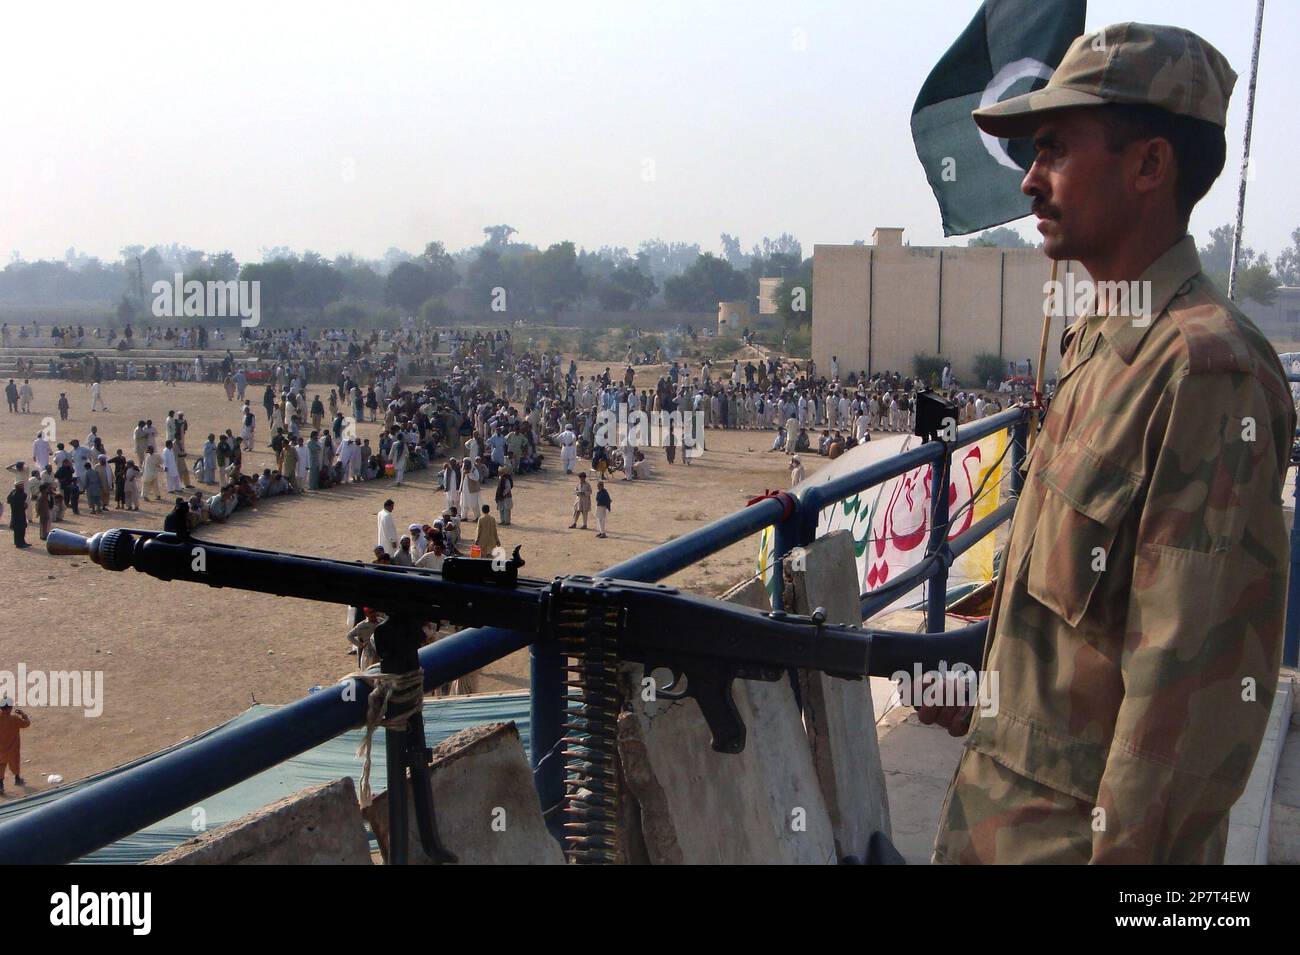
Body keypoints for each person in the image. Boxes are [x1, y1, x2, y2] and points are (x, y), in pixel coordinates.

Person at [927, 23, 1296, 866]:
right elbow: (1091, 628)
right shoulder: (1102, 344)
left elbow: (1184, 714)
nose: (1029, 180)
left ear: (1148, 166)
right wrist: (991, 682)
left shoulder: (1205, 373)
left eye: (1054, 148)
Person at [0, 697, 30, 793]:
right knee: (15, 762)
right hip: (13, 748)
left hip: (1, 749)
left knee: (1, 765)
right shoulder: (15, 719)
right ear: (9, 708)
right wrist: (23, 714)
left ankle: (0, 784)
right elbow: (26, 724)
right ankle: (17, 779)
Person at [7, 481, 28, 548]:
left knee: (22, 529)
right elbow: (10, 501)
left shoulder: (20, 494)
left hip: (21, 514)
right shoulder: (15, 495)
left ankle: (22, 542)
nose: (22, 487)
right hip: (17, 515)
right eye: (21, 486)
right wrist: (23, 505)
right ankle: (19, 543)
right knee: (18, 530)